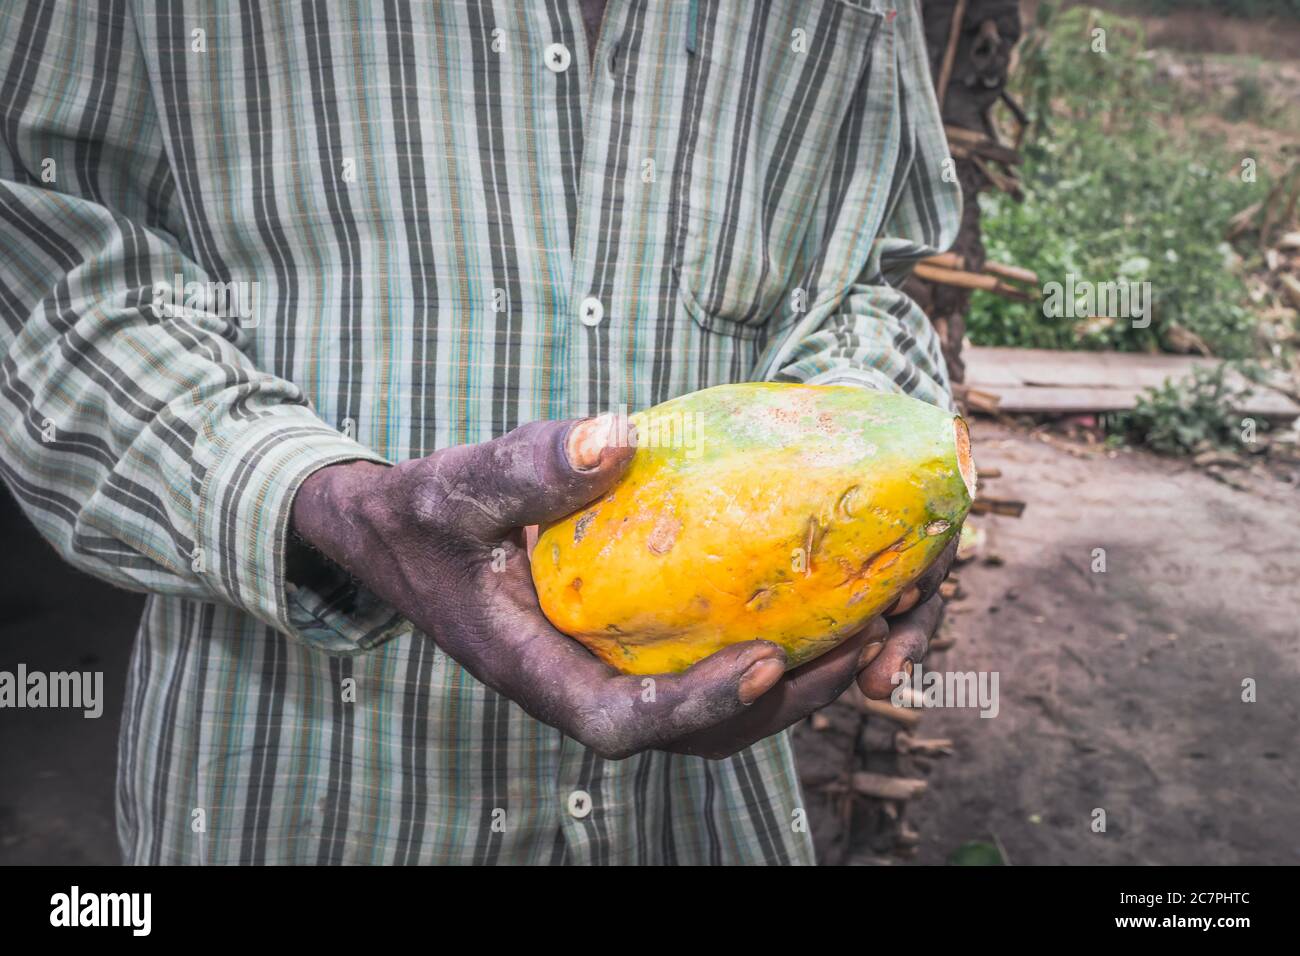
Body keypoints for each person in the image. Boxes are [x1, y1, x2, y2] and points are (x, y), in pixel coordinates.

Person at [0, 0, 959, 865]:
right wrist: (336, 506)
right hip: (296, 789)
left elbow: (871, 280)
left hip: (704, 815)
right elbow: (46, 274)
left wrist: (873, 467)